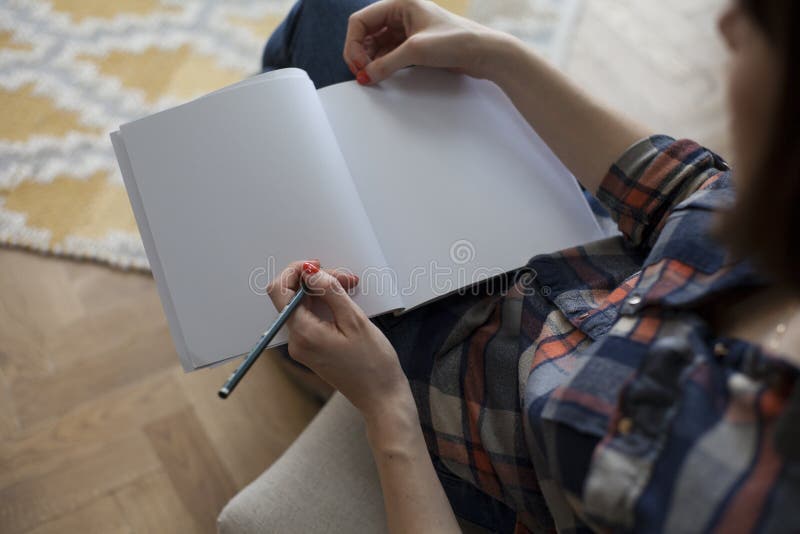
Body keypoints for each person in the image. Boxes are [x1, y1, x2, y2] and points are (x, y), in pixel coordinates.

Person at [262, 0, 800, 532]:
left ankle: (311, 373)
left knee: (301, 72)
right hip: (568, 258)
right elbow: (686, 191)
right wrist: (494, 54)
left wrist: (383, 405)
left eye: (764, 27)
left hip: (466, 402)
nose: (726, 25)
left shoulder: (746, 500)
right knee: (333, 15)